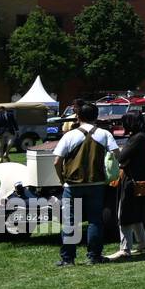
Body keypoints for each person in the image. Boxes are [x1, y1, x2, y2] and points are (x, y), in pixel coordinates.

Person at [52, 102, 118, 267]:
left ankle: (68, 258)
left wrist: (61, 179)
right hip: (96, 182)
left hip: (72, 184)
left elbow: (57, 161)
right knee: (95, 221)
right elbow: (117, 153)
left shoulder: (69, 135)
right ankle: (94, 256)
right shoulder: (104, 134)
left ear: (78, 116)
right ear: (96, 116)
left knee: (70, 221)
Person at [107, 110, 145, 260]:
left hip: (131, 180)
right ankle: (142, 242)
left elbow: (121, 157)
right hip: (142, 180)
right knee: (135, 213)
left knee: (124, 214)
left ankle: (125, 248)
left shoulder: (137, 138)